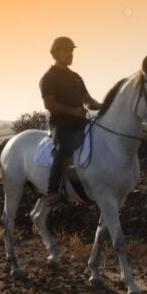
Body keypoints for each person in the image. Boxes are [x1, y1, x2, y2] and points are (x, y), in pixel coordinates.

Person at [39, 37, 102, 205]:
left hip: (80, 121)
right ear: (55, 53)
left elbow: (87, 100)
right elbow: (49, 103)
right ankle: (52, 191)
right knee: (64, 148)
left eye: (72, 51)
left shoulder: (76, 77)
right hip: (61, 124)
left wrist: (103, 106)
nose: (70, 54)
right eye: (66, 50)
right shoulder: (49, 77)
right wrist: (73, 111)